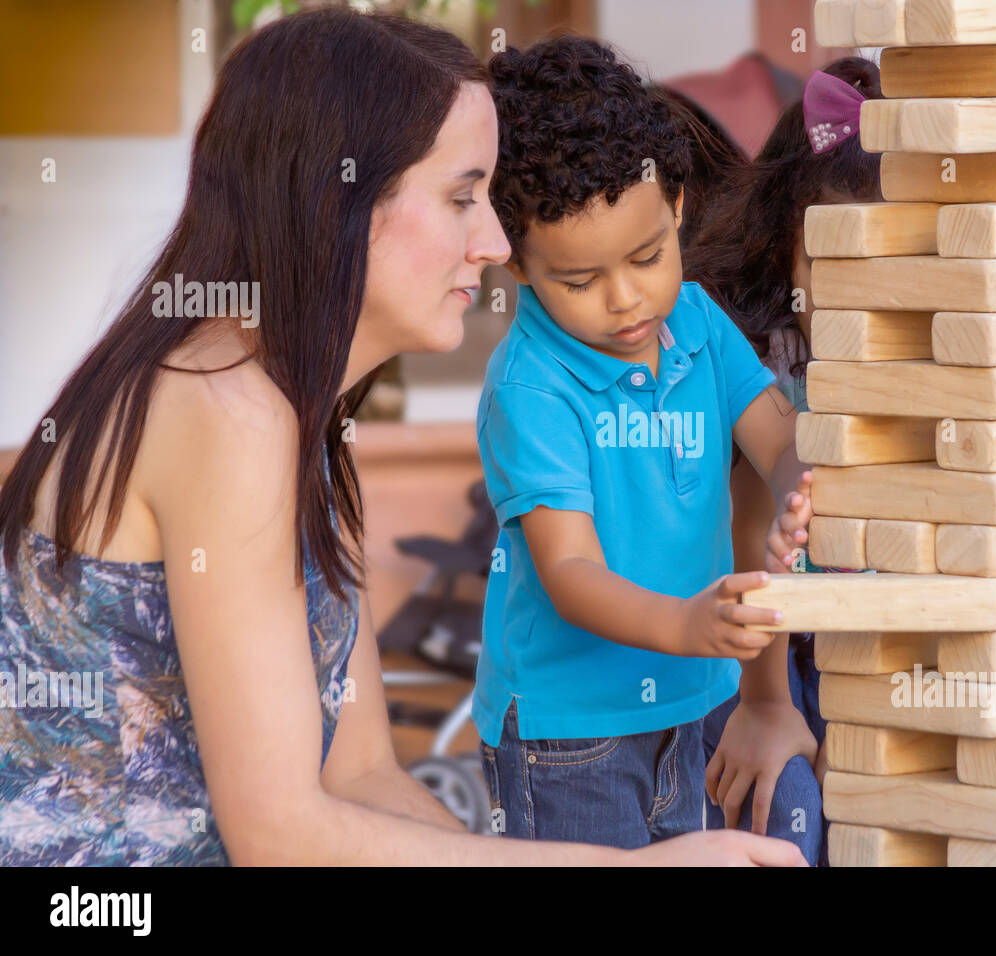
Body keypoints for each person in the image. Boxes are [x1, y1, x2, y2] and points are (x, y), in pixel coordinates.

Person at [0, 9, 802, 867]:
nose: (495, 245)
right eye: (463, 197)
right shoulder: (224, 413)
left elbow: (365, 778)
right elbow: (279, 834)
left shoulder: (294, 417)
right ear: (336, 204)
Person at [472, 34, 814, 849]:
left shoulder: (697, 321)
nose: (626, 301)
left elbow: (778, 438)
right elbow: (570, 572)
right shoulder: (531, 387)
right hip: (569, 735)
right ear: (518, 266)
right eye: (579, 282)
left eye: (648, 255)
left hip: (694, 702)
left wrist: (802, 493)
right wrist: (691, 627)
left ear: (680, 209)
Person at [684, 58, 886, 865]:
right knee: (788, 807)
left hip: (874, 643)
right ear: (784, 247)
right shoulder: (769, 362)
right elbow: (751, 518)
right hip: (757, 643)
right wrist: (766, 705)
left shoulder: (947, 362)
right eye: (828, 262)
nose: (857, 297)